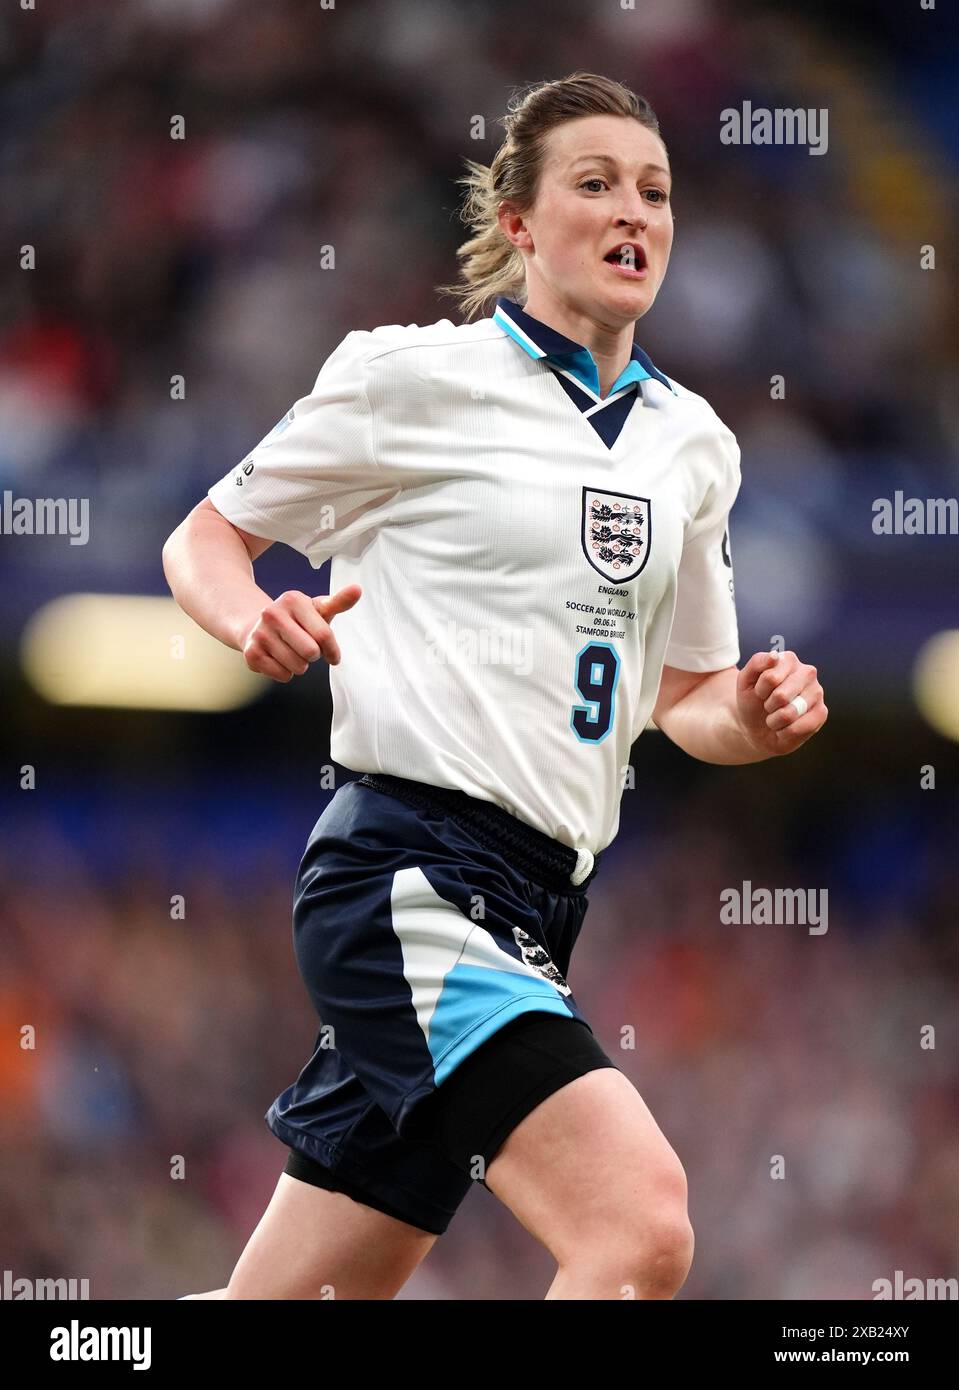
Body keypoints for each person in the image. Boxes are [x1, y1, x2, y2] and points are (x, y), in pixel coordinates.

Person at [162, 71, 827, 1301]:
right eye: (594, 184)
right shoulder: (409, 379)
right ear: (517, 222)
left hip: (538, 903)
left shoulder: (692, 444)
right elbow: (205, 537)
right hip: (406, 876)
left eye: (655, 190)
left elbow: (687, 695)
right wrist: (254, 619)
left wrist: (755, 711)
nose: (633, 210)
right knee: (638, 1228)